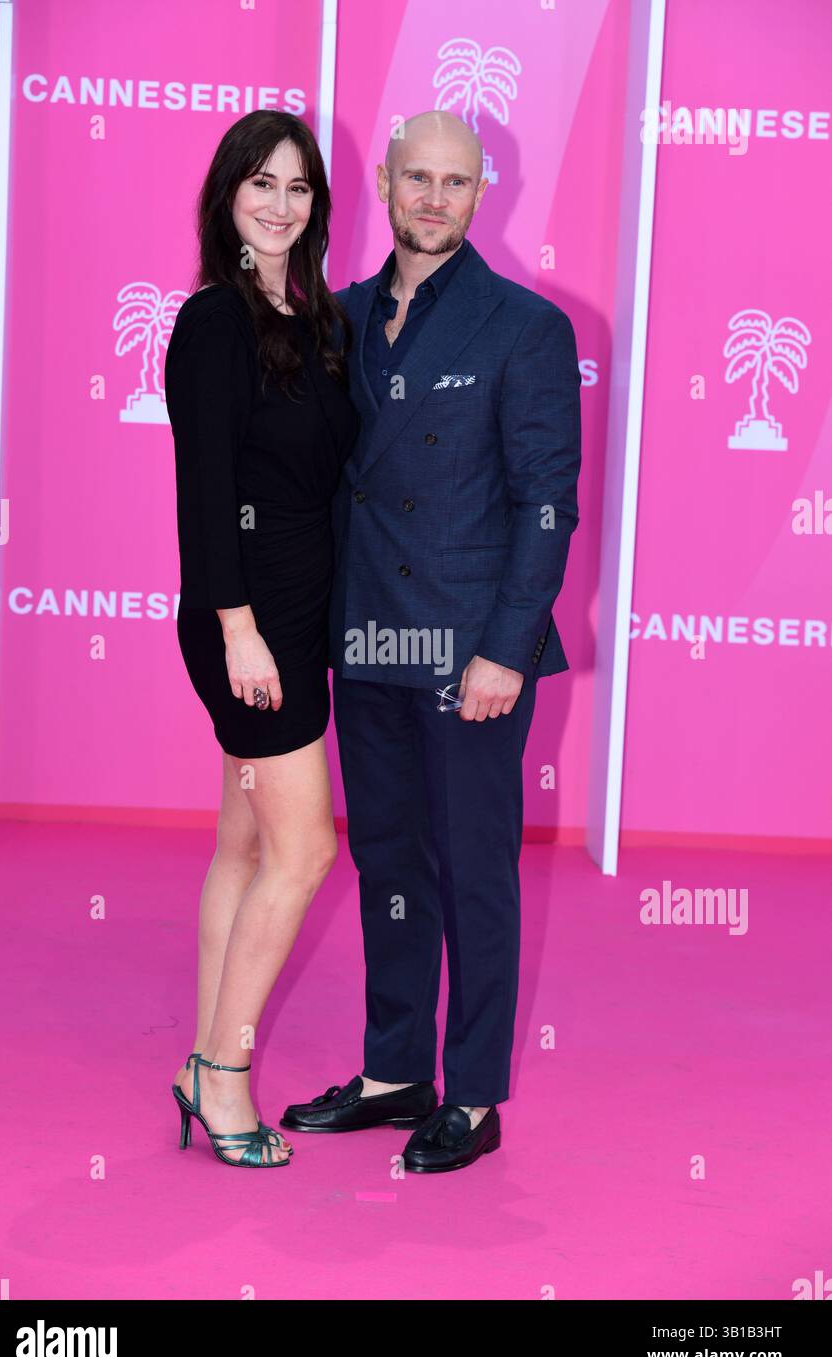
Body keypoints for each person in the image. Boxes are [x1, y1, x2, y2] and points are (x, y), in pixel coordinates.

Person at [280, 111, 582, 1173]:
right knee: (386, 862)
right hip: (364, 641)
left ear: (479, 193)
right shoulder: (341, 316)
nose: (434, 198)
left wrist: (505, 648)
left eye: (456, 182)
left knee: (473, 873)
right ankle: (395, 1070)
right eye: (418, 177)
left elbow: (545, 502)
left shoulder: (523, 327)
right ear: (389, 186)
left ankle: (477, 1094)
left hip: (468, 654)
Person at [164, 111, 359, 1168]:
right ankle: (225, 1075)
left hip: (298, 611)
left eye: (298, 189)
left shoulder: (314, 316)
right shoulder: (213, 323)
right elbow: (203, 498)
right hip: (245, 624)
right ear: (227, 199)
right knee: (305, 848)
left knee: (245, 844)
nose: (280, 205)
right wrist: (239, 633)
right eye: (260, 185)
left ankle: (202, 1060)